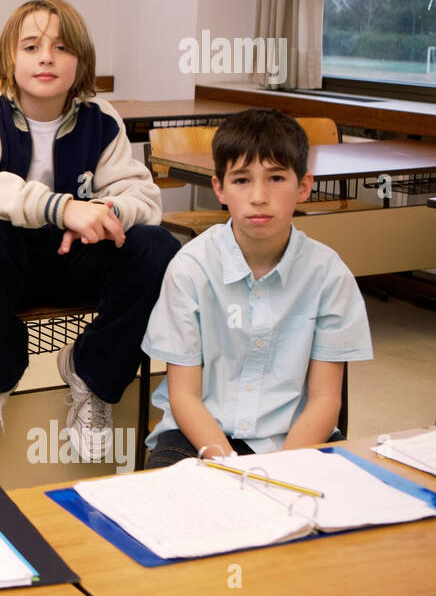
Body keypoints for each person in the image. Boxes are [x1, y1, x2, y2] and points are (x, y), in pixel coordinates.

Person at [0, 0, 178, 459]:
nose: (46, 57)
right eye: (31, 46)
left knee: (158, 247)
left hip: (70, 259)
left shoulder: (101, 118)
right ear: (10, 59)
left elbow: (144, 197)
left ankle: (92, 376)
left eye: (61, 47)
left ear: (82, 61)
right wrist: (60, 208)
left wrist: (103, 212)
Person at [142, 109, 372, 467]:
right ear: (219, 188)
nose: (259, 196)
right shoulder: (191, 269)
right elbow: (184, 396)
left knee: (343, 514)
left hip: (298, 439)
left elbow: (325, 400)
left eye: (276, 178)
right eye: (242, 180)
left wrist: (280, 471)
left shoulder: (329, 275)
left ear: (305, 187)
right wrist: (233, 469)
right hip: (199, 436)